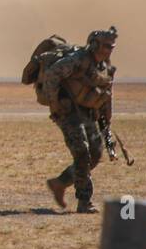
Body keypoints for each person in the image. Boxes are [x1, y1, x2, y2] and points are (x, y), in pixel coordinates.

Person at [45, 27, 118, 214]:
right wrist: (54, 104)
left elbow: (107, 94)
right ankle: (84, 200)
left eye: (111, 47)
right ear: (94, 44)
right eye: (105, 46)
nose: (108, 50)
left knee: (94, 154)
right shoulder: (78, 60)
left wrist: (106, 119)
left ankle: (60, 183)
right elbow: (52, 74)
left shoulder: (105, 67)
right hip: (68, 111)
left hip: (88, 113)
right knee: (82, 152)